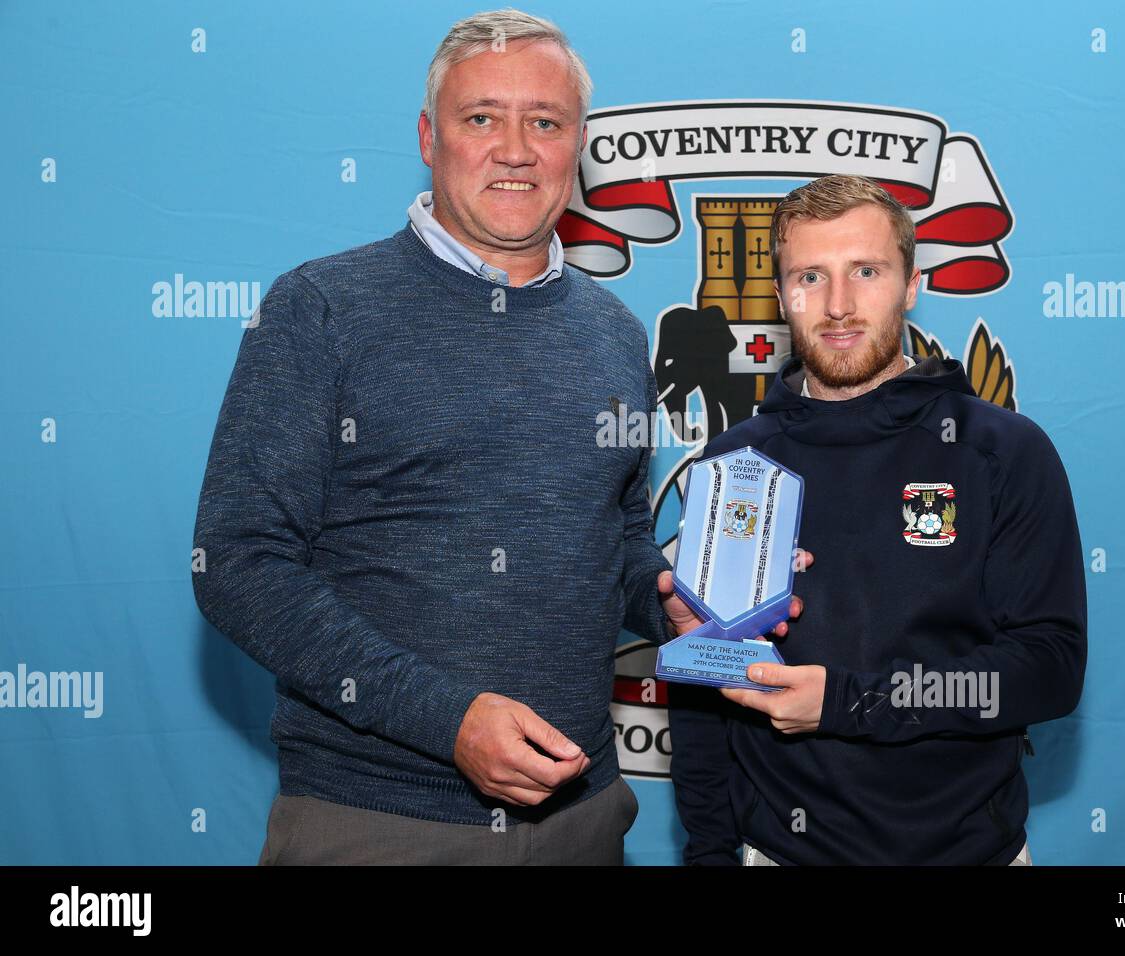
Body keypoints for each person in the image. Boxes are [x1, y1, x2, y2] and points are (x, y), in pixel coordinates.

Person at [191, 8, 790, 865]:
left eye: (544, 122)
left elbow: (613, 539)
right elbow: (239, 564)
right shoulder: (320, 308)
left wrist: (670, 603)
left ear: (575, 145)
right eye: (483, 118)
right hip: (379, 823)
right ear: (431, 138)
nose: (516, 149)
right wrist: (449, 719)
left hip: (583, 820)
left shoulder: (615, 330)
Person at [668, 174, 1087, 866]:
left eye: (866, 271)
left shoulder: (1004, 452)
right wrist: (710, 853)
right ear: (781, 297)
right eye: (811, 276)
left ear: (911, 284)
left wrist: (849, 703)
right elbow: (707, 689)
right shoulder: (737, 464)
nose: (838, 305)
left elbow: (1049, 669)